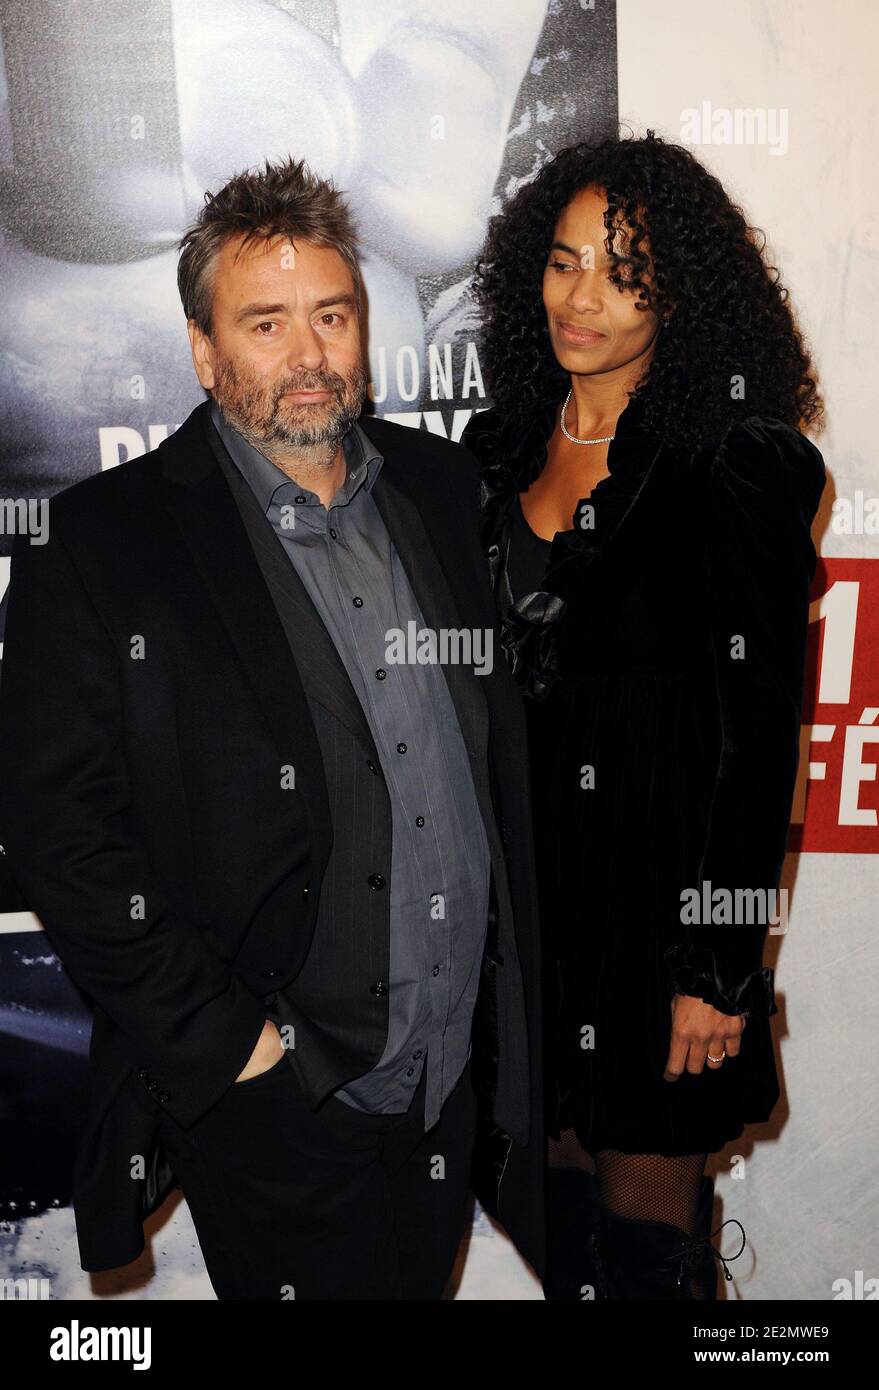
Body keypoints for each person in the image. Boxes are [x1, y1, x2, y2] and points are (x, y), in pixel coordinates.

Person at [0, 155, 544, 1299]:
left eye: (331, 316)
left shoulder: (446, 494)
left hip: (455, 1071)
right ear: (203, 351)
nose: (308, 356)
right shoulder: (102, 548)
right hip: (283, 1098)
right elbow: (62, 835)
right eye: (265, 323)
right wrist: (234, 1047)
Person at [461, 130, 826, 1300]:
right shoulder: (497, 452)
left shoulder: (737, 465)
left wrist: (718, 971)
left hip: (655, 932)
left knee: (650, 1258)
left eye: (624, 275)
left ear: (681, 295)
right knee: (558, 1235)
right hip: (521, 927)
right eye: (564, 263)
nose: (583, 299)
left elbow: (759, 738)